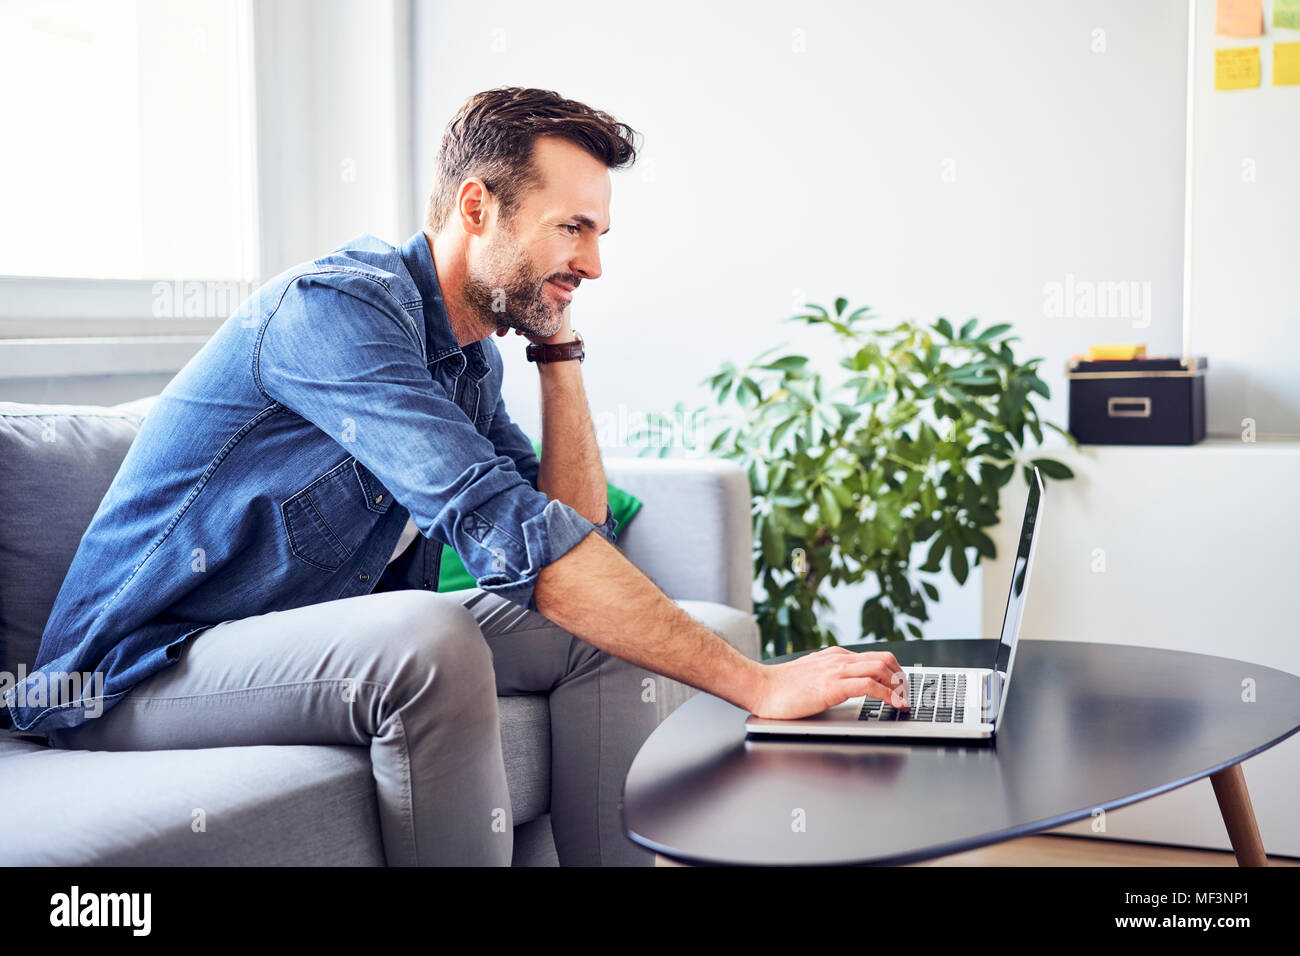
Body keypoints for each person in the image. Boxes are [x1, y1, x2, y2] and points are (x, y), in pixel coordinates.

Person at [2, 87, 907, 866]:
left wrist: (560, 349)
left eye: (598, 233)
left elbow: (567, 531)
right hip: (130, 672)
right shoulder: (336, 313)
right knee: (430, 636)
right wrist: (757, 682)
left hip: (282, 644)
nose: (594, 262)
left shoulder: (469, 359)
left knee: (604, 632)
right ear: (478, 207)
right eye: (573, 229)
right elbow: (504, 526)